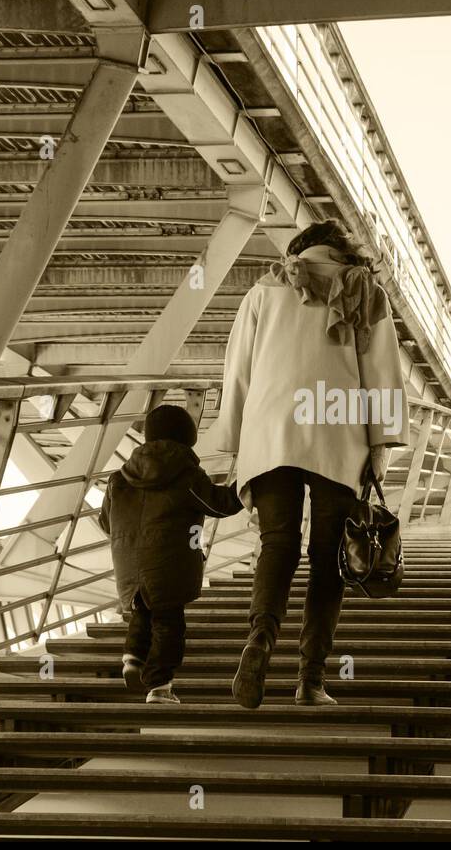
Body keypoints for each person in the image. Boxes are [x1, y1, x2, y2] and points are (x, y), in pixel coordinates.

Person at [213, 219, 409, 709]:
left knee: (276, 543)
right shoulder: (366, 291)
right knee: (328, 561)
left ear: (300, 250)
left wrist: (236, 445)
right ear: (342, 252)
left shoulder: (265, 288)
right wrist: (380, 448)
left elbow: (238, 370)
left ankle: (259, 639)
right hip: (337, 431)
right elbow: (382, 374)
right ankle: (310, 681)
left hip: (271, 429)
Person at [98, 404, 244, 704]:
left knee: (143, 610)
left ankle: (133, 658)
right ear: (186, 439)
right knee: (169, 622)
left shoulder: (118, 478)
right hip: (168, 564)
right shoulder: (185, 474)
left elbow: (105, 521)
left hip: (129, 563)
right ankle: (159, 685)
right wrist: (248, 483)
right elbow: (220, 504)